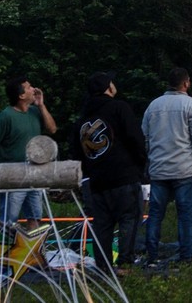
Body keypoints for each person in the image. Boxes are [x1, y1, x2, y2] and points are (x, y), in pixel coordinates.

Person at [142, 67, 192, 265]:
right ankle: (186, 257)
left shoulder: (153, 106)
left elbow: (145, 138)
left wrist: (150, 162)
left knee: (155, 214)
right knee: (185, 215)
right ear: (186, 83)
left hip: (159, 170)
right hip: (184, 170)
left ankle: (151, 257)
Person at [77, 71, 146, 274]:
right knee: (129, 218)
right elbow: (135, 138)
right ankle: (125, 264)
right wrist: (140, 165)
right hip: (123, 175)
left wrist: (88, 173)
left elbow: (76, 151)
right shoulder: (119, 108)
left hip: (96, 181)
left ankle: (103, 267)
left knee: (102, 225)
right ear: (108, 87)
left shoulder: (83, 117)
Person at [0, 76, 59, 232]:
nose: (34, 89)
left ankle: (32, 247)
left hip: (34, 173)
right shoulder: (6, 116)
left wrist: (41, 105)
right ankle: (5, 245)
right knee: (9, 218)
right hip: (12, 176)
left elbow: (52, 129)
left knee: (35, 216)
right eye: (29, 87)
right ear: (21, 95)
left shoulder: (35, 112)